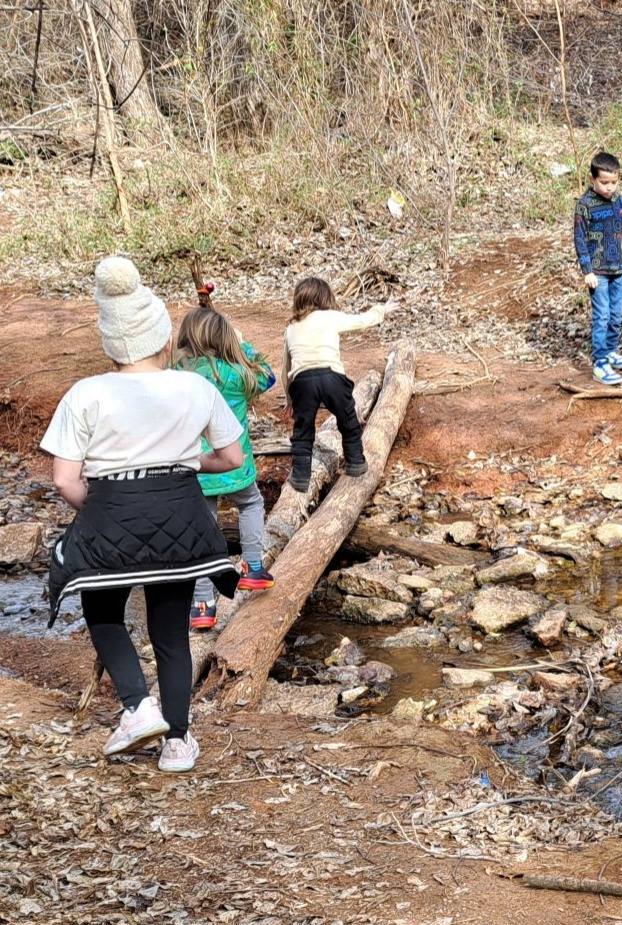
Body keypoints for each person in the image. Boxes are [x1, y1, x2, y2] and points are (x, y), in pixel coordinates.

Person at [42, 256, 247, 774]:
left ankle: (137, 707)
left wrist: (107, 512)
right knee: (171, 634)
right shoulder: (195, 388)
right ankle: (177, 743)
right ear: (162, 340)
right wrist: (180, 462)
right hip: (183, 519)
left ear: (110, 345)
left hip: (111, 512)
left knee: (105, 614)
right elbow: (231, 459)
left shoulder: (85, 393)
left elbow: (66, 481)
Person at [173, 306, 276, 631]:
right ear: (225, 339)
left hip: (198, 468)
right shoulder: (238, 373)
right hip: (234, 463)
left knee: (203, 529)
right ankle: (254, 568)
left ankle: (202, 605)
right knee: (251, 503)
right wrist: (242, 344)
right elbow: (269, 375)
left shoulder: (178, 373)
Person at [281, 276, 399, 492]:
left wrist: (290, 398)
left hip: (302, 381)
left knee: (303, 428)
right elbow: (361, 320)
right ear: (325, 297)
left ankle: (300, 476)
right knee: (347, 419)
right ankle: (355, 462)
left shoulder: (291, 328)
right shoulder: (331, 317)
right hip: (331, 377)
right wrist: (381, 309)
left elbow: (285, 367)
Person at [574, 150, 622, 386]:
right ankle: (600, 362)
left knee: (616, 315)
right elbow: (579, 239)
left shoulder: (620, 201)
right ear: (593, 179)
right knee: (601, 316)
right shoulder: (584, 205)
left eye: (614, 182)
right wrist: (587, 270)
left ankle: (611, 350)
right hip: (597, 272)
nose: (610, 187)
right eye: (604, 182)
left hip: (619, 267)